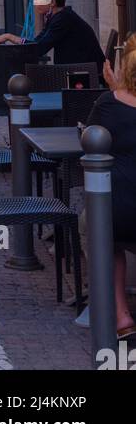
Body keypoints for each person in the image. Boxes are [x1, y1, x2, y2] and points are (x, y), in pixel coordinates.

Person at [88, 36, 136, 337]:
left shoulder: (108, 104)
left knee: (99, 229)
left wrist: (114, 91)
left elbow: (88, 138)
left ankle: (119, 314)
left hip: (120, 210)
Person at [0, 0, 107, 73]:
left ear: (52, 2)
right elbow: (36, 43)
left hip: (86, 76)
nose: (35, 1)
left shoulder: (63, 19)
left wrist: (9, 37)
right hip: (75, 71)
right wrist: (12, 40)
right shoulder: (57, 17)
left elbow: (38, 48)